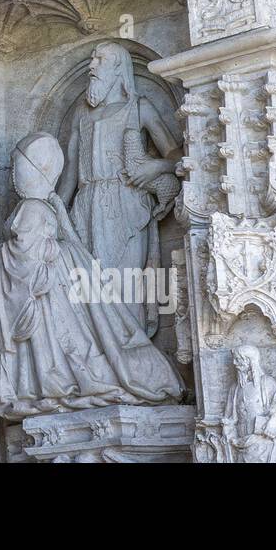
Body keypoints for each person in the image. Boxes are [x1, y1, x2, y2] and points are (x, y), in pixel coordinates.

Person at [0, 132, 183, 419]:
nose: (13, 175)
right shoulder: (42, 208)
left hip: (49, 291)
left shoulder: (31, 208)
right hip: (55, 287)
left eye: (18, 166)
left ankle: (60, 384)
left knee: (64, 346)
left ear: (36, 169)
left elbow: (23, 252)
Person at [58, 42, 180, 335]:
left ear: (117, 68)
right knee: (88, 293)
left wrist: (156, 166)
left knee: (124, 287)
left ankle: (133, 362)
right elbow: (71, 173)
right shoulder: (80, 112)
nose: (92, 66)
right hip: (85, 207)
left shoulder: (139, 107)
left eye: (99, 60)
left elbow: (176, 155)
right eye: (92, 59)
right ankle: (101, 367)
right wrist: (55, 213)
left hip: (126, 205)